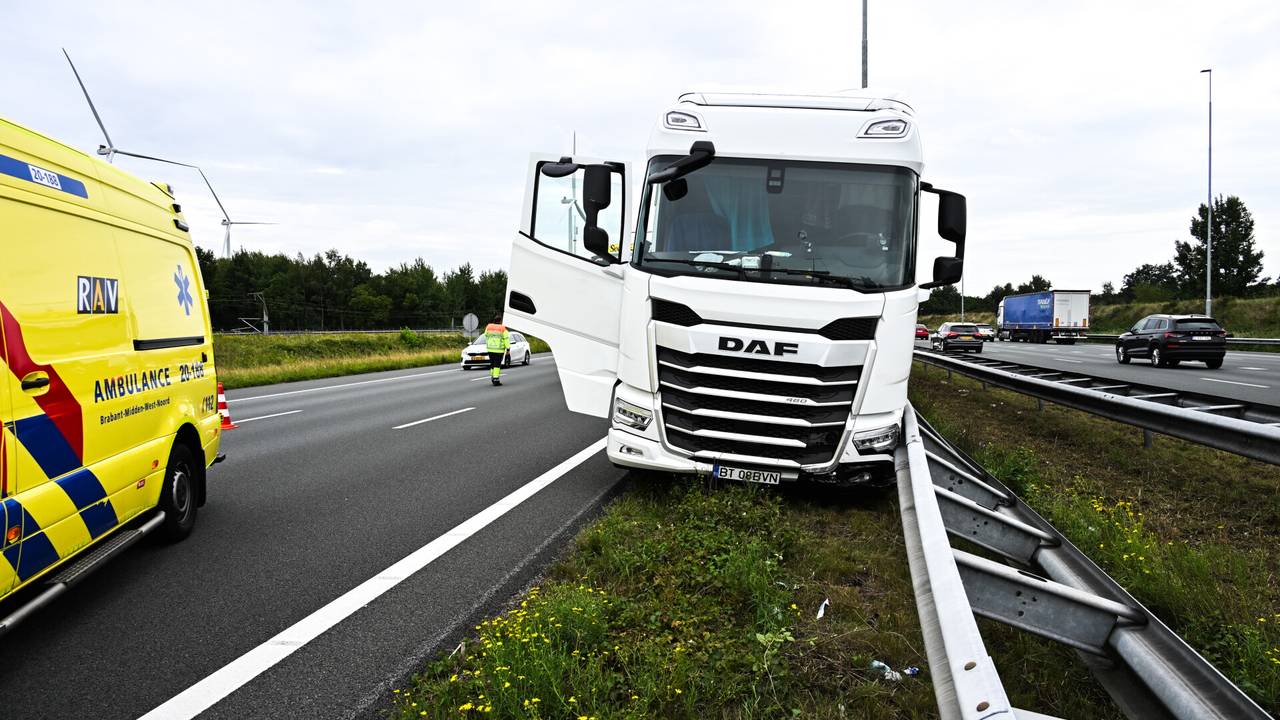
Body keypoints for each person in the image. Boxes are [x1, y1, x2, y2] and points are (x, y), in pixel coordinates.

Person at [483, 314, 511, 386]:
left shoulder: (488, 327)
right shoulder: (503, 328)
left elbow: (485, 335)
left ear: (494, 320)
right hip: (499, 350)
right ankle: (496, 380)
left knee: (492, 364)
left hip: (490, 349)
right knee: (497, 365)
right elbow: (506, 339)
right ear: (500, 321)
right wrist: (508, 349)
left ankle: (493, 377)